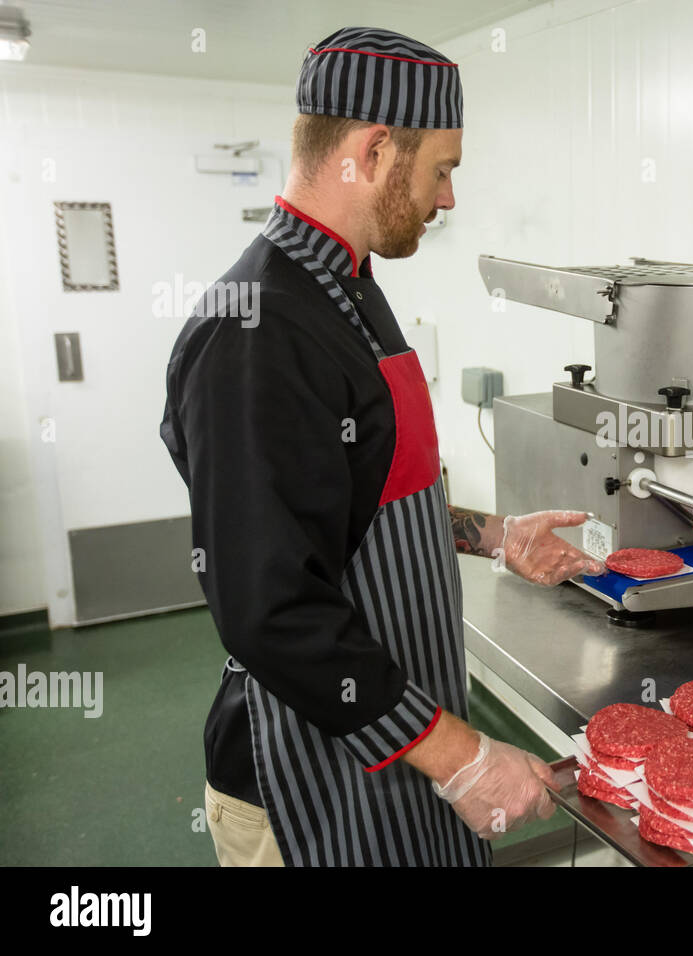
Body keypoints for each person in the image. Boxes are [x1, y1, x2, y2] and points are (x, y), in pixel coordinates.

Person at [160, 26, 604, 867]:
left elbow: (359, 500)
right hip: (307, 779)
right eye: (443, 170)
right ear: (373, 148)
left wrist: (493, 536)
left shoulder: (349, 290)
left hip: (396, 756)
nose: (447, 201)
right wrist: (464, 757)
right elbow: (270, 609)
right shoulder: (256, 328)